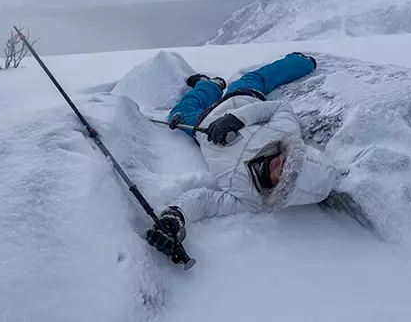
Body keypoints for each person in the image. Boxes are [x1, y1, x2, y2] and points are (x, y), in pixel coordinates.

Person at [146, 52, 340, 257]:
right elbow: (280, 107)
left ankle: (208, 85)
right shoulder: (285, 133)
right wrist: (237, 119)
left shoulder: (252, 199)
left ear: (285, 191)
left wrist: (177, 217)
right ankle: (301, 61)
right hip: (240, 100)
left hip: (203, 126)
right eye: (284, 159)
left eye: (282, 174)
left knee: (181, 112)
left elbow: (205, 202)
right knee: (259, 78)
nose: (276, 163)